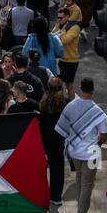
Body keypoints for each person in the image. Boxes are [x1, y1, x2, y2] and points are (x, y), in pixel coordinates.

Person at [54, 78, 107, 213]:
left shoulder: (70, 106)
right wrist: (97, 144)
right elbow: (104, 134)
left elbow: (62, 129)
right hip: (91, 152)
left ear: (80, 88)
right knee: (87, 184)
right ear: (93, 90)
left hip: (74, 151)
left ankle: (80, 212)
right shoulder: (97, 111)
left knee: (79, 179)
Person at [39, 77, 68, 205]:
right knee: (58, 167)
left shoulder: (43, 102)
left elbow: (42, 122)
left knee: (51, 165)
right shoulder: (64, 102)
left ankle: (49, 194)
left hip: (46, 137)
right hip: (60, 137)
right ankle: (56, 196)